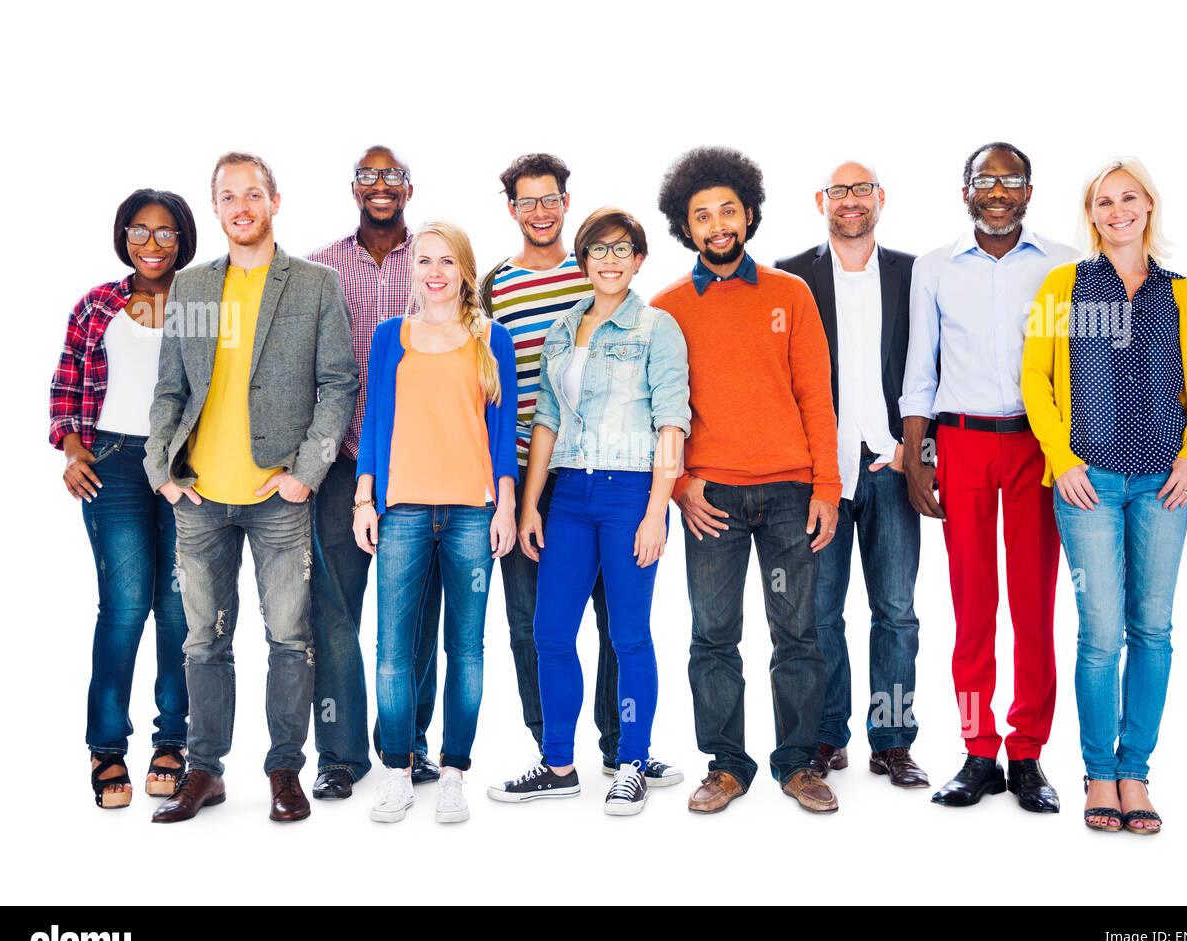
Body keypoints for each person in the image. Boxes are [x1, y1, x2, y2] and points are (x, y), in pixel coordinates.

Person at [147, 151, 359, 824]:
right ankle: (204, 770)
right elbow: (172, 388)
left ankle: (284, 769)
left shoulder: (314, 284)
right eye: (228, 196)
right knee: (202, 640)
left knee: (290, 638)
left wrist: (306, 473)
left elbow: (340, 385)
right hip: (201, 495)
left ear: (275, 200)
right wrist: (161, 471)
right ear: (215, 209)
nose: (241, 206)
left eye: (252, 194)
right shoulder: (194, 290)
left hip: (277, 499)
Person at [1022, 158, 1187, 834]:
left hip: (1164, 484)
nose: (1118, 210)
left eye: (1129, 198)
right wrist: (1061, 458)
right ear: (1091, 213)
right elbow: (1038, 381)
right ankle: (1098, 771)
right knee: (1101, 633)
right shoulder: (1063, 285)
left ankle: (1137, 774)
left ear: (1149, 207)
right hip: (1090, 481)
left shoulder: (1180, 293)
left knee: (1152, 630)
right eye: (1105, 201)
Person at [479, 153, 681, 787]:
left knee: (627, 633)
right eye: (601, 252)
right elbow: (545, 420)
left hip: (627, 493)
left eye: (622, 251)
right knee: (546, 631)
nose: (609, 262)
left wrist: (656, 510)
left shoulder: (656, 326)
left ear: (639, 259)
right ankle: (557, 761)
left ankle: (630, 757)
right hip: (562, 492)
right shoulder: (562, 325)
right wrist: (530, 502)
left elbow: (672, 423)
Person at [652, 146, 842, 814]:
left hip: (792, 491)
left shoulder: (790, 294)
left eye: (728, 209)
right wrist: (679, 487)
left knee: (799, 634)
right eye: (701, 215)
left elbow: (817, 396)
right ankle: (727, 764)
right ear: (687, 227)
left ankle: (798, 763)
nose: (717, 224)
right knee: (712, 635)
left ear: (751, 213)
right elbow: (661, 411)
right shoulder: (667, 306)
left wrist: (826, 486)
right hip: (712, 499)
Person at [899, 141, 1075, 813]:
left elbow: (1078, 364)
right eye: (985, 179)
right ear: (964, 189)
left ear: (1029, 191)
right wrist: (916, 455)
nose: (997, 191)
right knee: (973, 609)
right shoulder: (936, 267)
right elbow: (921, 365)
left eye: (1012, 180)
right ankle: (979, 749)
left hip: (1038, 445)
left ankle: (1027, 751)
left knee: (1033, 607)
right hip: (964, 444)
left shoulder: (1063, 263)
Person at [354, 220, 518, 825]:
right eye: (424, 261)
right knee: (393, 650)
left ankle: (453, 772)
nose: (434, 272)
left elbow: (500, 433)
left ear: (464, 270)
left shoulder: (489, 338)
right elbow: (374, 421)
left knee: (465, 650)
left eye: (446, 261)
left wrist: (504, 504)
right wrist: (364, 500)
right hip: (402, 512)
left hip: (472, 515)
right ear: (412, 270)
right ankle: (398, 769)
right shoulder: (390, 335)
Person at [776, 161, 930, 789]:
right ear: (822, 201)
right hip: (822, 472)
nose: (850, 201)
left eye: (861, 190)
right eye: (839, 191)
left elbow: (936, 361)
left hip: (892, 466)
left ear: (880, 198)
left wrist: (920, 449)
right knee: (818, 613)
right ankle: (823, 736)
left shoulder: (915, 273)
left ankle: (892, 742)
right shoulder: (790, 274)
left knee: (896, 610)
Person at [51, 188, 197, 808]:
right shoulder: (96, 304)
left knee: (180, 609)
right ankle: (106, 747)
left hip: (184, 467)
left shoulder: (204, 306)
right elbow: (64, 384)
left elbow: (226, 389)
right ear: (124, 236)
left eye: (166, 233)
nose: (152, 244)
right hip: (111, 462)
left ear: (183, 240)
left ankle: (172, 741)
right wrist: (71, 450)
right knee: (125, 606)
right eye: (140, 230)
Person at [305, 146, 442, 801]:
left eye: (392, 175)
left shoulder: (437, 266)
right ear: (354, 187)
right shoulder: (322, 269)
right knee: (333, 615)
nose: (381, 185)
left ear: (409, 188)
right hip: (341, 466)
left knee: (414, 617)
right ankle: (339, 754)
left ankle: (408, 746)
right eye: (369, 175)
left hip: (422, 469)